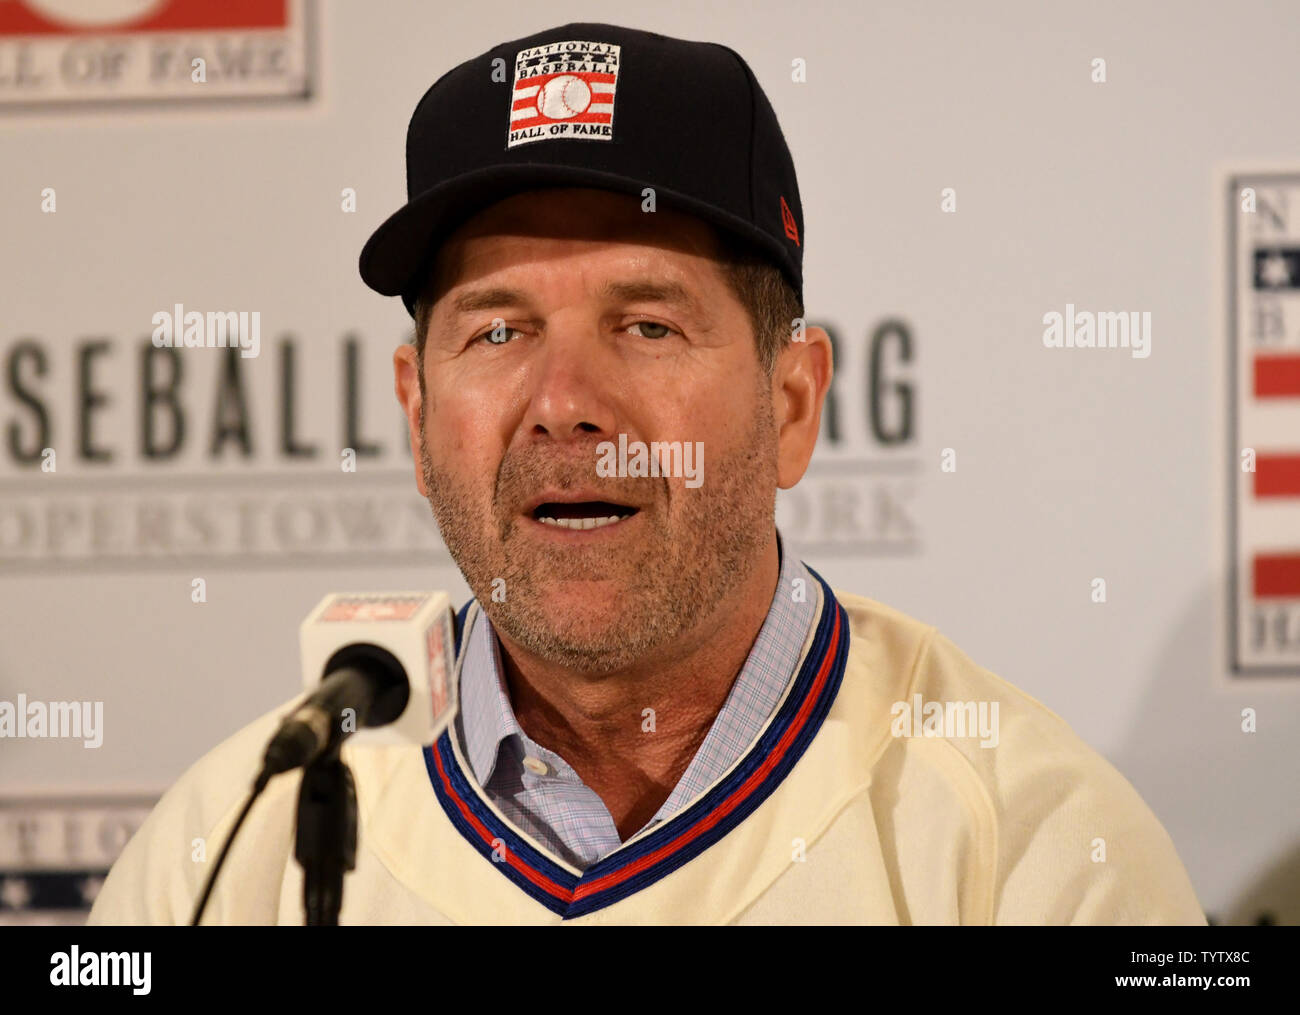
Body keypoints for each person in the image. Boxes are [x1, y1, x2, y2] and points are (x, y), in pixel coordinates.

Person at [88, 21, 1205, 925]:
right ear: (417, 412)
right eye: (496, 330)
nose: (566, 400)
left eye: (648, 324)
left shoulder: (1031, 850)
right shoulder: (231, 851)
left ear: (791, 403)